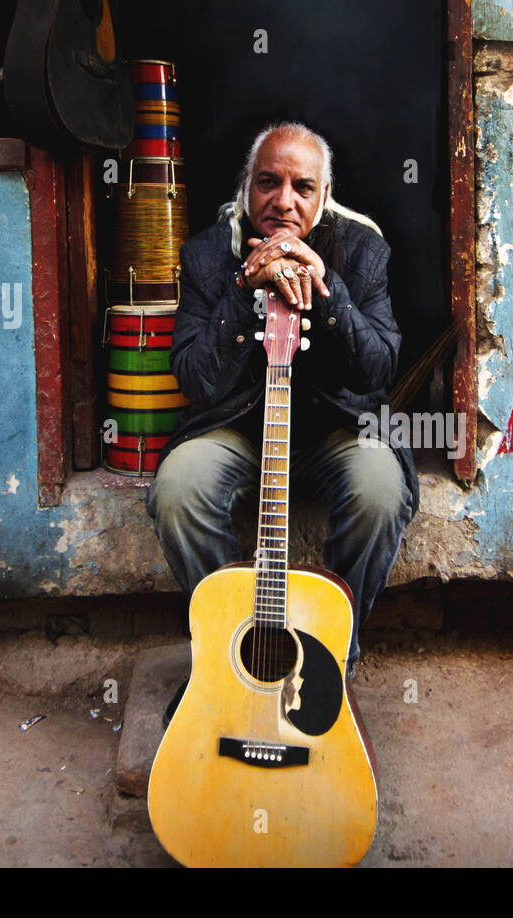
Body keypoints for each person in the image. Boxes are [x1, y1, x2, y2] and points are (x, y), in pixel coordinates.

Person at [146, 120, 419, 682]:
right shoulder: (205, 254)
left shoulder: (363, 248)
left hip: (336, 424)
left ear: (325, 196)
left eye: (303, 187)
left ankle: (326, 656)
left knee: (380, 490)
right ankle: (233, 653)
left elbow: (379, 368)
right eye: (268, 182)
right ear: (246, 186)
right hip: (239, 424)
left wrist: (328, 290)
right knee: (178, 490)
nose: (283, 201)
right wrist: (243, 286)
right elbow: (195, 379)